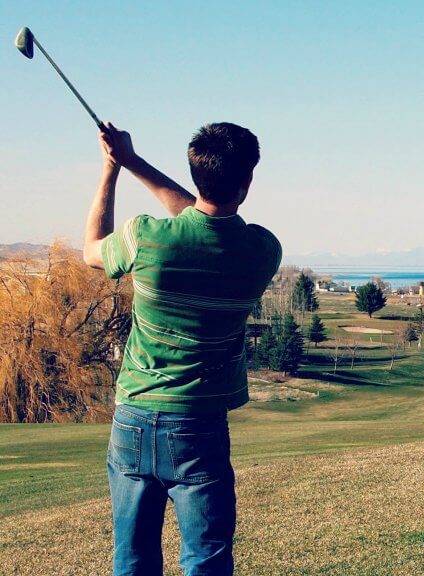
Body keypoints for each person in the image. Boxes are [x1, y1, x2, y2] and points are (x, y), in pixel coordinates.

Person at [82, 122, 281, 575]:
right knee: (206, 560)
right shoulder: (263, 250)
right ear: (247, 182)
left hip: (132, 419)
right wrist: (131, 161)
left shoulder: (148, 237)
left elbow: (92, 249)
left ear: (195, 172)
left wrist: (113, 169)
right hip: (199, 426)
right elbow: (203, 217)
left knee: (132, 559)